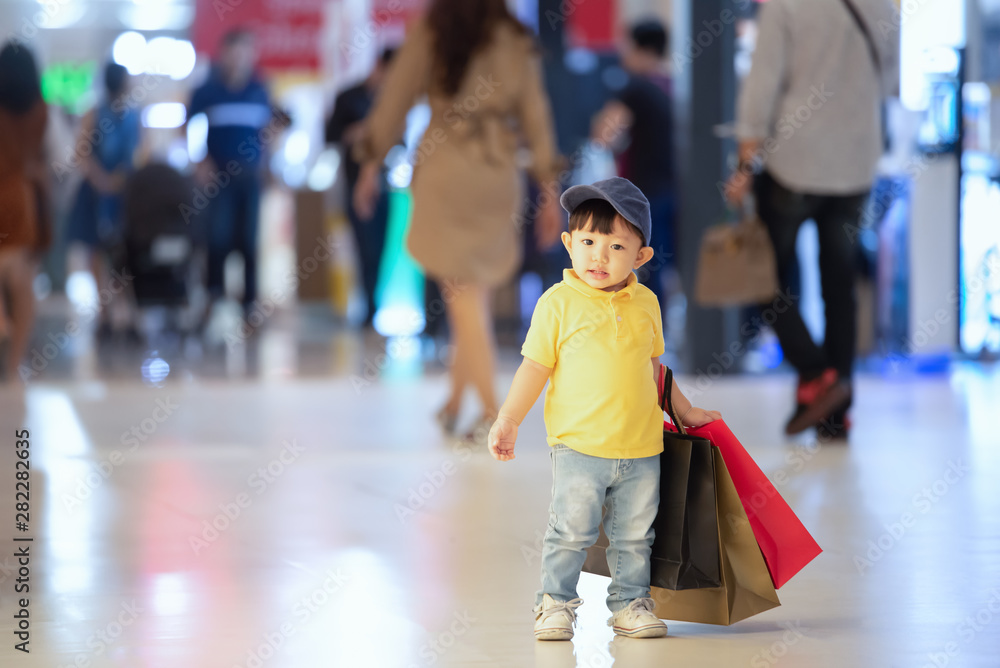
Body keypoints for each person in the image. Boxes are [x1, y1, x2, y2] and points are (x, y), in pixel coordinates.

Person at [487, 177, 720, 640]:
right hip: (578, 446)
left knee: (636, 537)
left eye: (616, 245)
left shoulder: (647, 304)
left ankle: (630, 603)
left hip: (641, 447)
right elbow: (534, 368)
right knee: (570, 532)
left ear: (641, 256)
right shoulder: (558, 304)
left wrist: (685, 410)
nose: (599, 255)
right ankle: (554, 603)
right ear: (569, 243)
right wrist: (508, 418)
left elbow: (654, 369)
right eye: (589, 241)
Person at [353, 0, 563, 442]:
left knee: (463, 295)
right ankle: (453, 402)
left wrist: (371, 164)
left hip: (445, 165)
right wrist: (548, 191)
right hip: (497, 169)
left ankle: (493, 413)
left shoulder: (434, 29)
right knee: (469, 294)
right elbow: (537, 115)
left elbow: (396, 98)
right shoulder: (515, 38)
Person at [725, 0, 898, 440]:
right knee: (840, 286)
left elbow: (763, 83)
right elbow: (890, 78)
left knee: (764, 278)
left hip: (794, 164)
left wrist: (745, 164)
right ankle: (836, 413)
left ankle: (818, 374)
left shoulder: (786, 5)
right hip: (857, 162)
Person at [188, 28, 272, 325]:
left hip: (250, 176)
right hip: (219, 176)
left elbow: (270, 129)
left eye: (245, 51)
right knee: (218, 237)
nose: (239, 58)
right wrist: (199, 162)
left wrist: (270, 163)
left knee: (249, 239)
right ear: (223, 53)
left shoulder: (260, 89)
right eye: (234, 50)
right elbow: (186, 127)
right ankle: (214, 298)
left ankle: (250, 304)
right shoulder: (208, 90)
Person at [591, 19, 676, 309]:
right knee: (661, 267)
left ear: (640, 49)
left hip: (642, 195)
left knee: (639, 268)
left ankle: (644, 338)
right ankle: (658, 337)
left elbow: (604, 133)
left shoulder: (636, 88)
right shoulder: (672, 85)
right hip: (673, 191)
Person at [65, 61, 141, 341]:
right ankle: (104, 314)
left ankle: (127, 312)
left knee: (123, 254)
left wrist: (119, 181)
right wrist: (102, 180)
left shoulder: (133, 116)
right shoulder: (94, 113)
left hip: (123, 195)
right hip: (97, 194)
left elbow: (137, 156)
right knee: (96, 253)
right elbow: (81, 153)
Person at [325, 49, 397, 328]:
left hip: (385, 184)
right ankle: (365, 307)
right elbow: (330, 137)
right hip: (355, 182)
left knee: (381, 248)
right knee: (362, 247)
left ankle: (374, 306)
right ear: (379, 66)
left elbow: (400, 140)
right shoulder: (348, 97)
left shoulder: (392, 102)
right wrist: (361, 131)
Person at [0, 41, 48, 381]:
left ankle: (1, 319)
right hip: (23, 198)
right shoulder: (41, 109)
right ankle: (15, 365)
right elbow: (56, 159)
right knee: (21, 281)